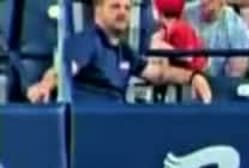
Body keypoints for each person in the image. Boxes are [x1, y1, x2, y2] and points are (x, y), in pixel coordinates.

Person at [26, 0, 212, 103]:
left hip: (118, 121)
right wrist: (45, 85)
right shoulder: (86, 42)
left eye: (127, 7)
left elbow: (159, 74)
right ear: (98, 10)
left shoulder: (125, 51)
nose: (123, 12)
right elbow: (63, 69)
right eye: (115, 6)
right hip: (88, 127)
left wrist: (193, 77)